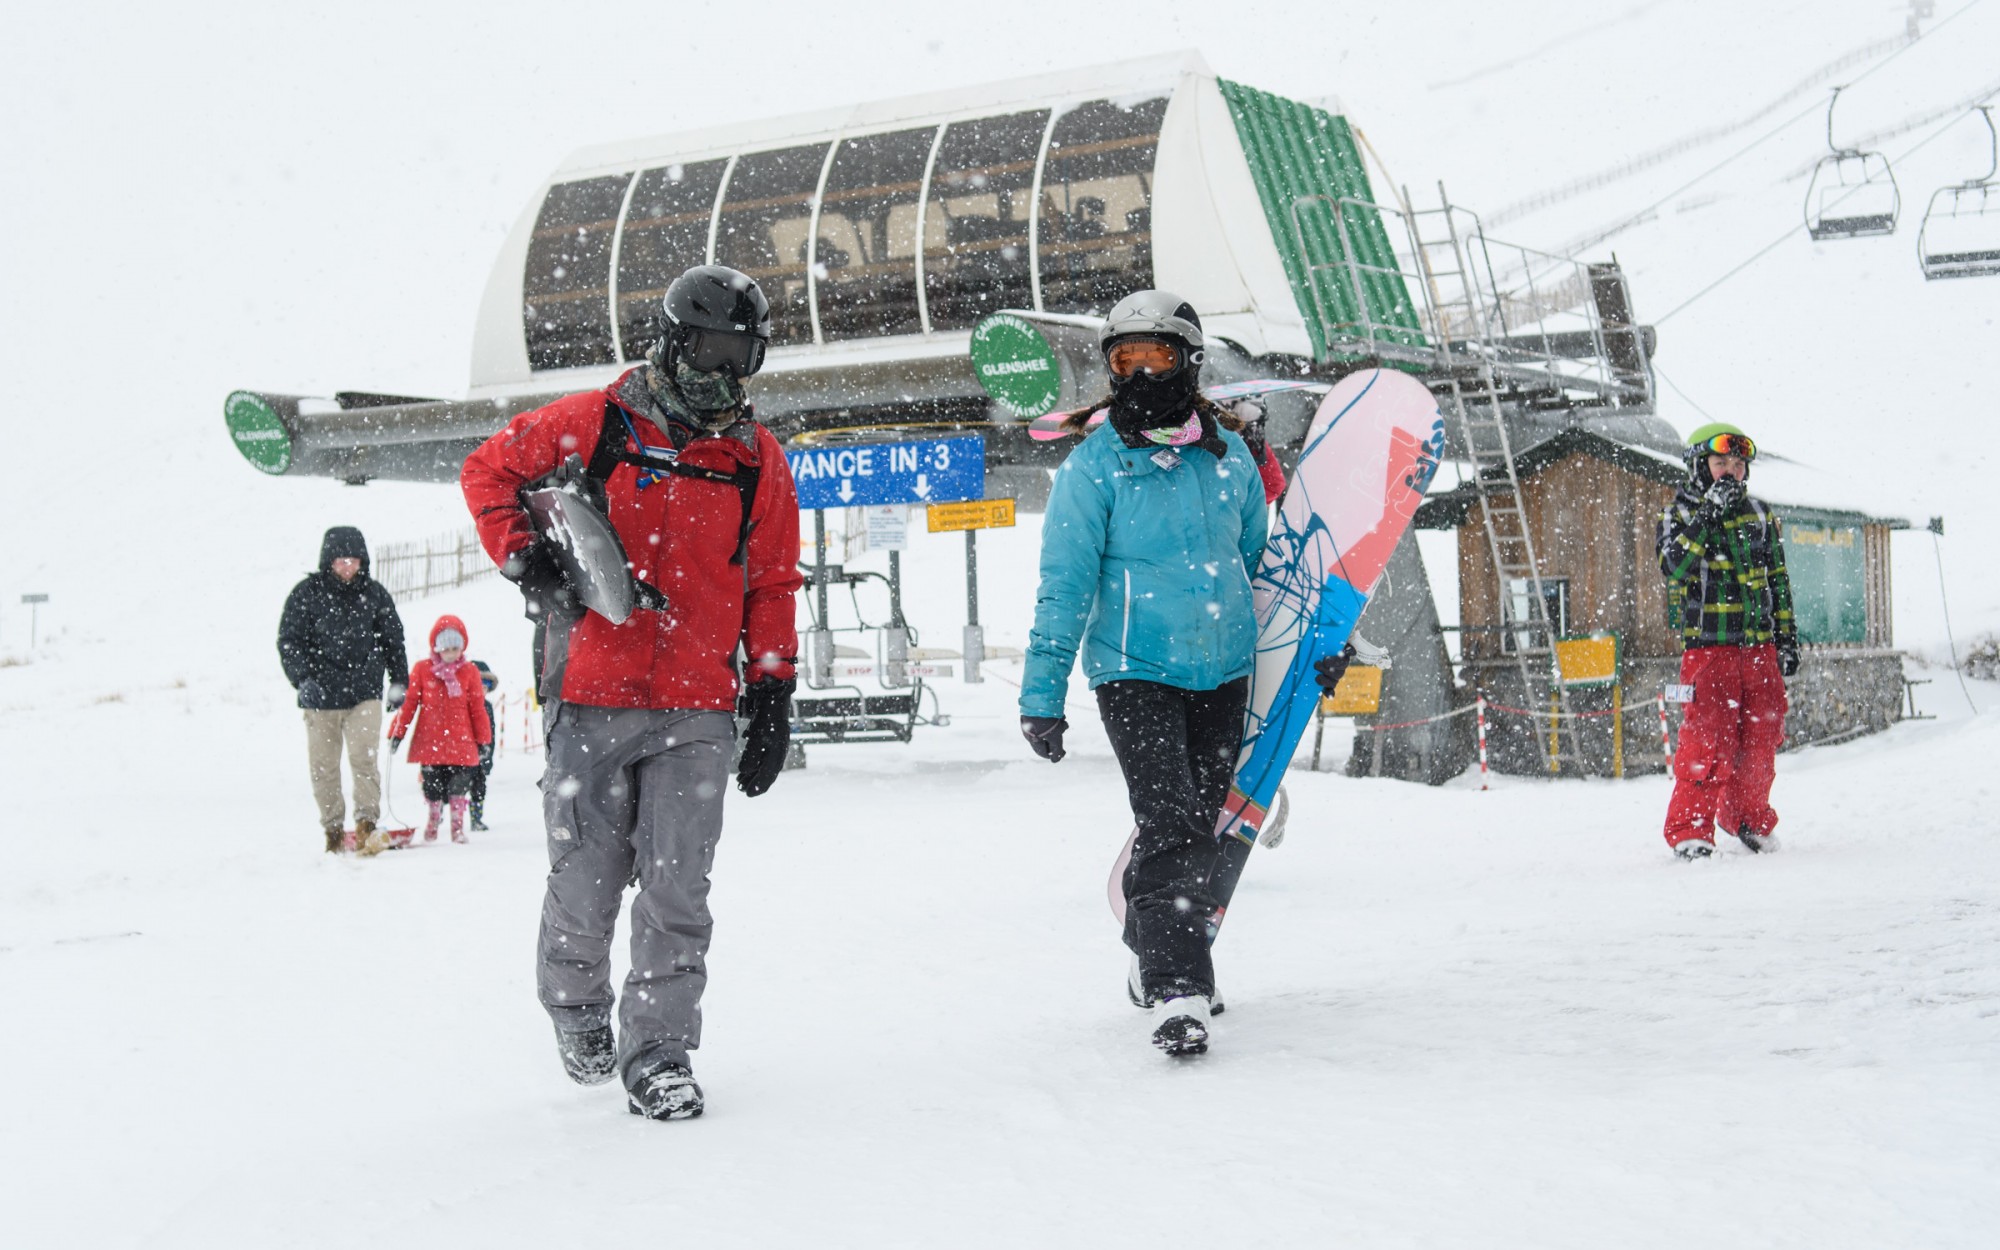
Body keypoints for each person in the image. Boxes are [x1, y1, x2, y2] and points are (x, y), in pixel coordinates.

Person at [460, 264, 803, 1121]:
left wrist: (772, 689)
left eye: (744, 355)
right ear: (676, 340)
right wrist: (525, 560)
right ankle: (575, 1007)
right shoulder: (592, 424)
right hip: (591, 693)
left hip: (696, 705)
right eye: (715, 350)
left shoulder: (755, 461)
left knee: (677, 886)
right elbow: (486, 472)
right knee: (587, 877)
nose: (726, 374)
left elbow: (771, 583)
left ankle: (658, 1050)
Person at [1018, 290, 1348, 1057]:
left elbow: (1267, 571)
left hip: (1224, 669)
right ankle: (1178, 989)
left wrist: (1318, 649)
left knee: (1202, 828)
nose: (1138, 372)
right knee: (1169, 821)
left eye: (1156, 356)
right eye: (1122, 358)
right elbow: (1063, 588)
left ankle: (1156, 945)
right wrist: (1042, 696)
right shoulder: (1095, 468)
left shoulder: (1229, 460)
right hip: (1135, 670)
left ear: (1189, 362)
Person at [1656, 422, 1799, 860]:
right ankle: (1690, 831)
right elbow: (1673, 568)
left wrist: (1787, 638)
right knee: (1708, 741)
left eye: (1738, 464)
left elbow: (1777, 579)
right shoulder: (1678, 514)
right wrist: (1707, 516)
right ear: (1700, 467)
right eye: (1721, 463)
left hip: (1759, 649)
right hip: (1710, 649)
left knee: (1761, 741)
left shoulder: (1759, 513)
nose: (1731, 472)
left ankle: (1746, 817)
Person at [277, 526, 408, 856]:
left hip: (364, 694)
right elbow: (289, 642)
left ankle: (366, 828)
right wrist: (303, 680)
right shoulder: (306, 595)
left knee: (364, 761)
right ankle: (333, 832)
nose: (347, 567)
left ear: (362, 561)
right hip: (320, 697)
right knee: (323, 766)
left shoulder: (375, 595)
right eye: (340, 561)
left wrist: (398, 681)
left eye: (352, 560)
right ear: (328, 562)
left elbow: (393, 640)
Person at [386, 615, 494, 845]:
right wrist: (396, 733)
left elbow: (477, 709)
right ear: (436, 647)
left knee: (459, 786)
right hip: (430, 740)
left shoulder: (470, 672)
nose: (450, 653)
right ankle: (433, 821)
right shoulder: (423, 670)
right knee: (432, 785)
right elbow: (409, 705)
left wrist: (484, 740)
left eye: (455, 648)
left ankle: (457, 827)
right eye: (445, 648)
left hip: (461, 741)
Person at [468, 659, 499, 832]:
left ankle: (476, 818)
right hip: (462, 755)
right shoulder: (461, 706)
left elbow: (491, 735)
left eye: (486, 684)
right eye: (479, 683)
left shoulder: (487, 707)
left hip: (480, 755)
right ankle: (443, 816)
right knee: (453, 787)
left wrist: (488, 757)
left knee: (479, 787)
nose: (482, 688)